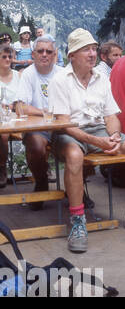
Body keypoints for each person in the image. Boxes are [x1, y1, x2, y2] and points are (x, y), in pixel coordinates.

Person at [50, 29, 125, 252]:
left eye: (93, 49)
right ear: (72, 55)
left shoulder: (102, 78)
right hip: (69, 132)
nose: (92, 54)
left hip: (99, 130)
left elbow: (111, 115)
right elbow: (63, 123)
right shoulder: (60, 79)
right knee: (74, 156)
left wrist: (113, 136)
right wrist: (98, 141)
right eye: (85, 50)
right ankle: (77, 220)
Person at [13, 34, 65, 209]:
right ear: (33, 54)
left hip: (62, 126)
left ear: (55, 55)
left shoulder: (63, 74)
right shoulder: (28, 74)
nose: (44, 54)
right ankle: (41, 182)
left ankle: (79, 190)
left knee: (81, 143)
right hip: (38, 128)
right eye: (40, 51)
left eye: (48, 51)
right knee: (35, 145)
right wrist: (43, 112)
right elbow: (21, 106)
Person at [0, 43, 20, 188]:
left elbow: (23, 97)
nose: (8, 59)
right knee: (3, 133)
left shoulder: (19, 76)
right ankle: (2, 167)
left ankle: (42, 167)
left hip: (16, 113)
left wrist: (13, 105)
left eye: (10, 56)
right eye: (4, 56)